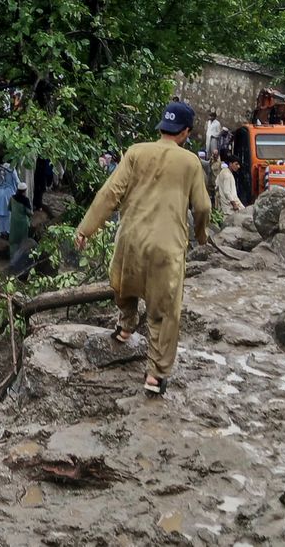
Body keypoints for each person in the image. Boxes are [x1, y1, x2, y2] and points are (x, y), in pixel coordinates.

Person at [75, 101, 211, 397]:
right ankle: (155, 375)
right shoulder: (190, 163)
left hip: (130, 239)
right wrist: (202, 234)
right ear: (185, 132)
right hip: (166, 248)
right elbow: (202, 207)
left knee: (124, 285)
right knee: (164, 311)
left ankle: (125, 326)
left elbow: (110, 193)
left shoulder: (135, 152)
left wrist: (86, 228)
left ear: (162, 127)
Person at [0, 159, 19, 235]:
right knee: (10, 213)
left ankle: (2, 231)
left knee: (1, 214)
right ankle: (9, 231)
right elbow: (17, 181)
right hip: (9, 192)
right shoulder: (11, 168)